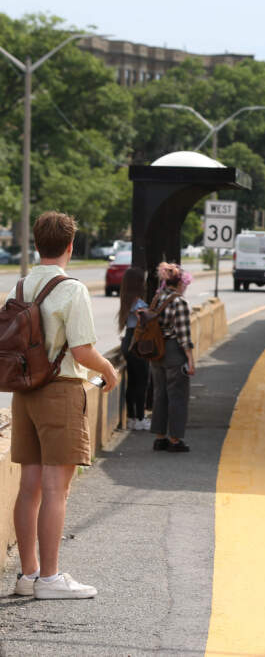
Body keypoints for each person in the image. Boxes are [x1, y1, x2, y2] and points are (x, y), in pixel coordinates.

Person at [9, 212, 118, 599]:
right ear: (71, 246)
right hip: (61, 390)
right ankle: (51, 579)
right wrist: (108, 368)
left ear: (37, 243)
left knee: (30, 486)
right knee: (57, 489)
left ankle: (28, 575)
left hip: (26, 393)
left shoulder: (22, 285)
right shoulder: (72, 289)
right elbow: (82, 350)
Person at [149, 262, 195, 453]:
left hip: (155, 351)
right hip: (173, 352)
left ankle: (160, 438)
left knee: (160, 394)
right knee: (177, 396)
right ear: (180, 283)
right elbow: (184, 336)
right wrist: (190, 361)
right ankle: (175, 439)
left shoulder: (157, 298)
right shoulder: (179, 302)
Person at [117, 266, 150, 430]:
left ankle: (131, 418)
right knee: (142, 382)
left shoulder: (126, 301)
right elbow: (145, 321)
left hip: (128, 342)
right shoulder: (138, 304)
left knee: (132, 382)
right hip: (138, 344)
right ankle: (140, 419)